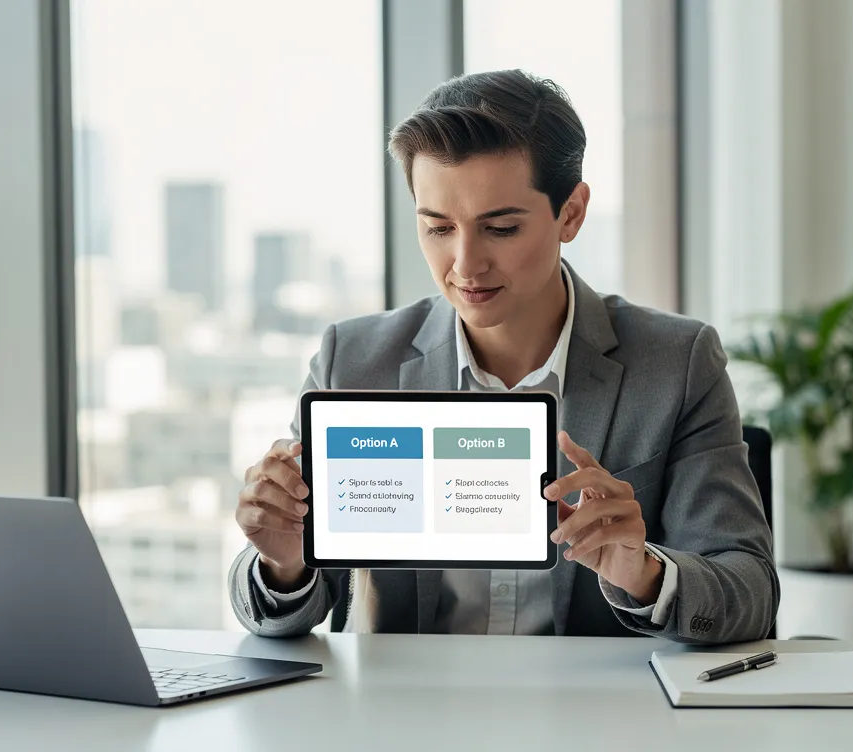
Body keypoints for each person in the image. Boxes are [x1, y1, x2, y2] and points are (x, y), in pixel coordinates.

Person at [228, 69, 777, 643]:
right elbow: (286, 609)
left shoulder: (677, 363)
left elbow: (750, 592)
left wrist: (644, 575)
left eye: (502, 228)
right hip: (403, 697)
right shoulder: (354, 359)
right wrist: (283, 564)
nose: (466, 264)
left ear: (571, 213)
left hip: (594, 699)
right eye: (439, 228)